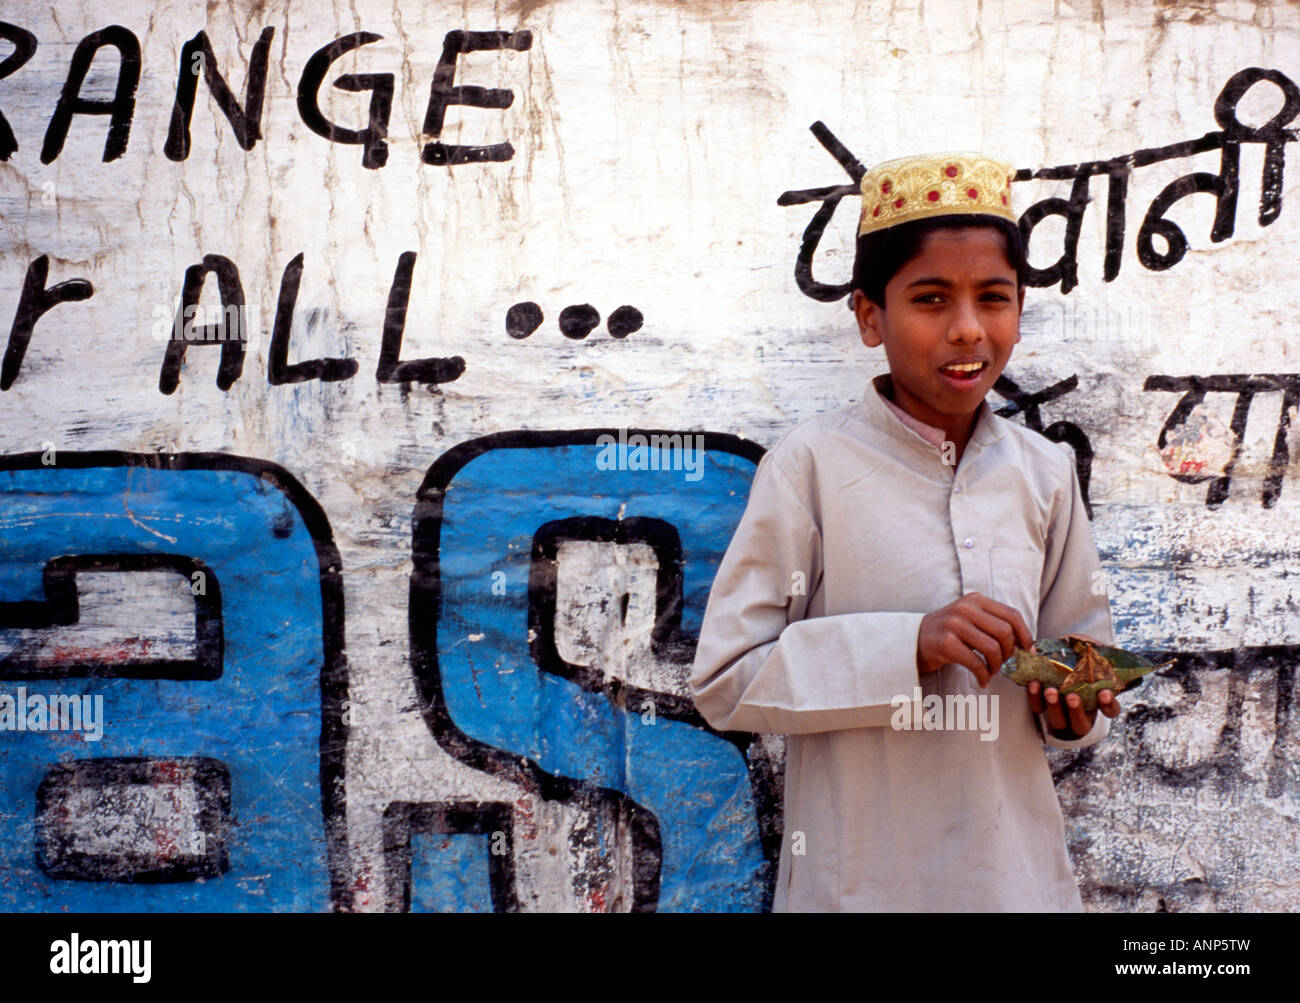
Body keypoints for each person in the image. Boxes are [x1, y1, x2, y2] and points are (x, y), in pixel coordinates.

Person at [689, 151, 1121, 912]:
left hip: (1014, 882)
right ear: (868, 316)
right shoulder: (810, 466)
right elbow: (727, 679)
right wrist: (909, 645)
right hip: (860, 885)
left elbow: (1078, 658)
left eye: (995, 297)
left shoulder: (1046, 472)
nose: (967, 329)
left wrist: (1075, 702)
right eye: (930, 299)